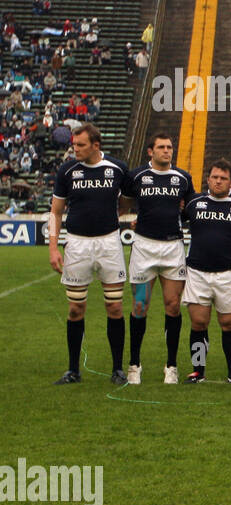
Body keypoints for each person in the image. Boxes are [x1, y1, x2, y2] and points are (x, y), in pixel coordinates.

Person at [48, 125, 130, 385]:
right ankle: (73, 370)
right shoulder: (67, 171)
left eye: (81, 145)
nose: (75, 149)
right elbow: (55, 212)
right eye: (74, 144)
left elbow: (127, 199)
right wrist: (53, 247)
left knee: (115, 306)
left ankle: (117, 369)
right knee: (75, 309)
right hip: (77, 244)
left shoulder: (117, 168)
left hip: (108, 243)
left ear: (96, 145)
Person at [122, 133, 195, 384]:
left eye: (170, 147)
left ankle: (171, 365)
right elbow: (125, 200)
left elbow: (189, 210)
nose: (167, 151)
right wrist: (136, 217)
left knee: (173, 306)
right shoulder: (137, 176)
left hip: (173, 246)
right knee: (140, 306)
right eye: (161, 147)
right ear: (150, 152)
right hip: (144, 246)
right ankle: (134, 364)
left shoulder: (183, 178)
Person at [180, 160, 231, 383]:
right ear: (208, 179)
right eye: (214, 177)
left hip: (227, 273)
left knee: (229, 324)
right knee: (199, 323)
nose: (218, 181)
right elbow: (171, 220)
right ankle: (198, 370)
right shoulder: (194, 203)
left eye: (223, 178)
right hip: (197, 272)